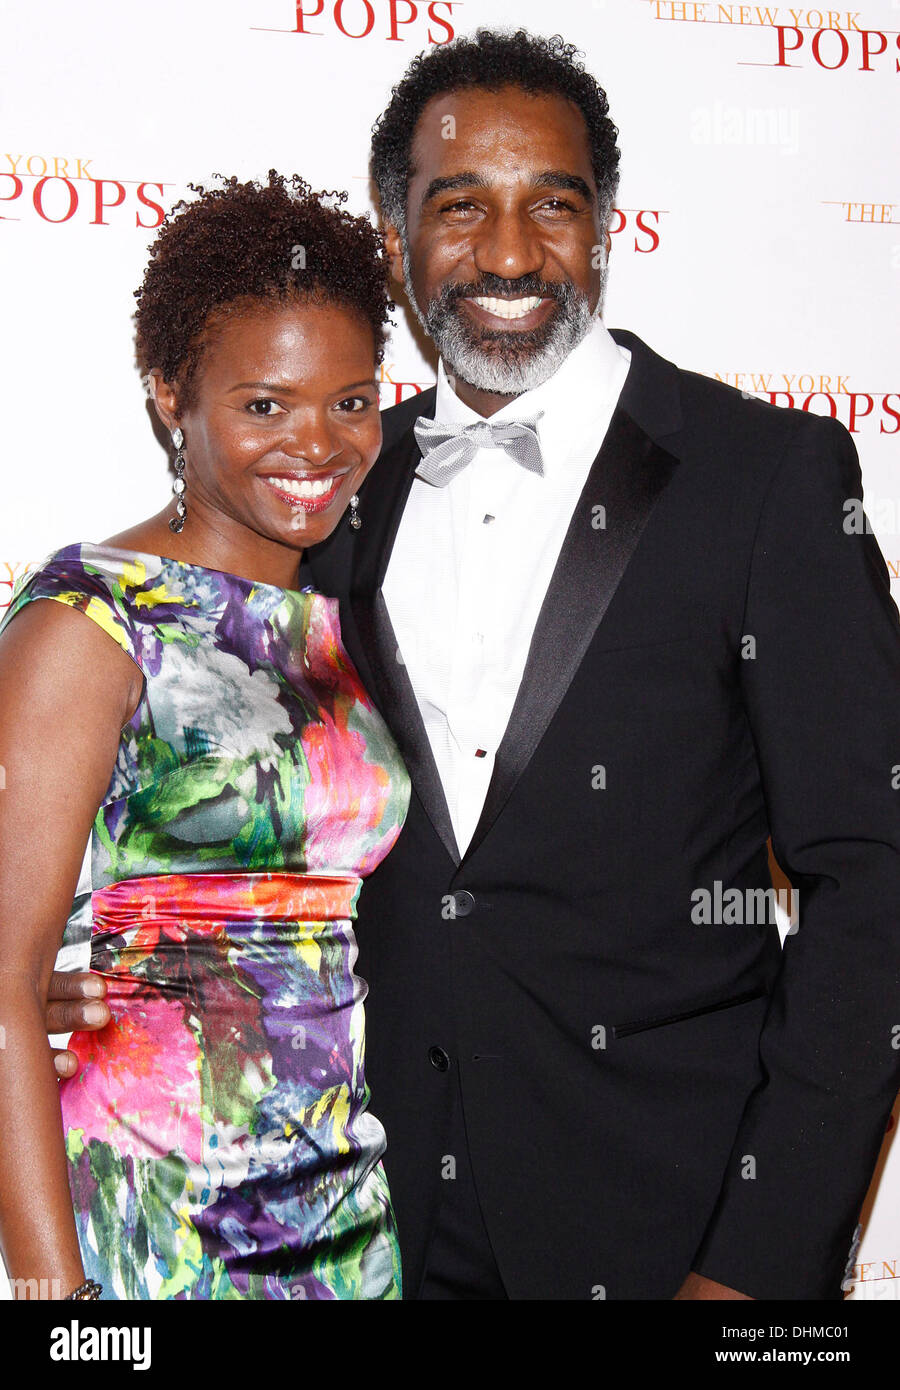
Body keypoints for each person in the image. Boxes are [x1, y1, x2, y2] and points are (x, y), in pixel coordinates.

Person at [45, 29, 900, 1301]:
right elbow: (210, 743)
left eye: (551, 205)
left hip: (670, 1225)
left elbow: (874, 879)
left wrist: (758, 1267)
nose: (509, 253)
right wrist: (100, 970)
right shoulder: (329, 483)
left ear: (606, 225)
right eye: (461, 207)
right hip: (361, 1221)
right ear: (397, 238)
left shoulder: (765, 478)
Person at [0, 172, 411, 1300]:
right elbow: (3, 974)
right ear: (170, 394)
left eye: (351, 399)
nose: (317, 443)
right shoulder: (89, 617)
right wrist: (54, 1302)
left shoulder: (344, 623)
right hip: (159, 1206)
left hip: (346, 1199)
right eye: (264, 405)